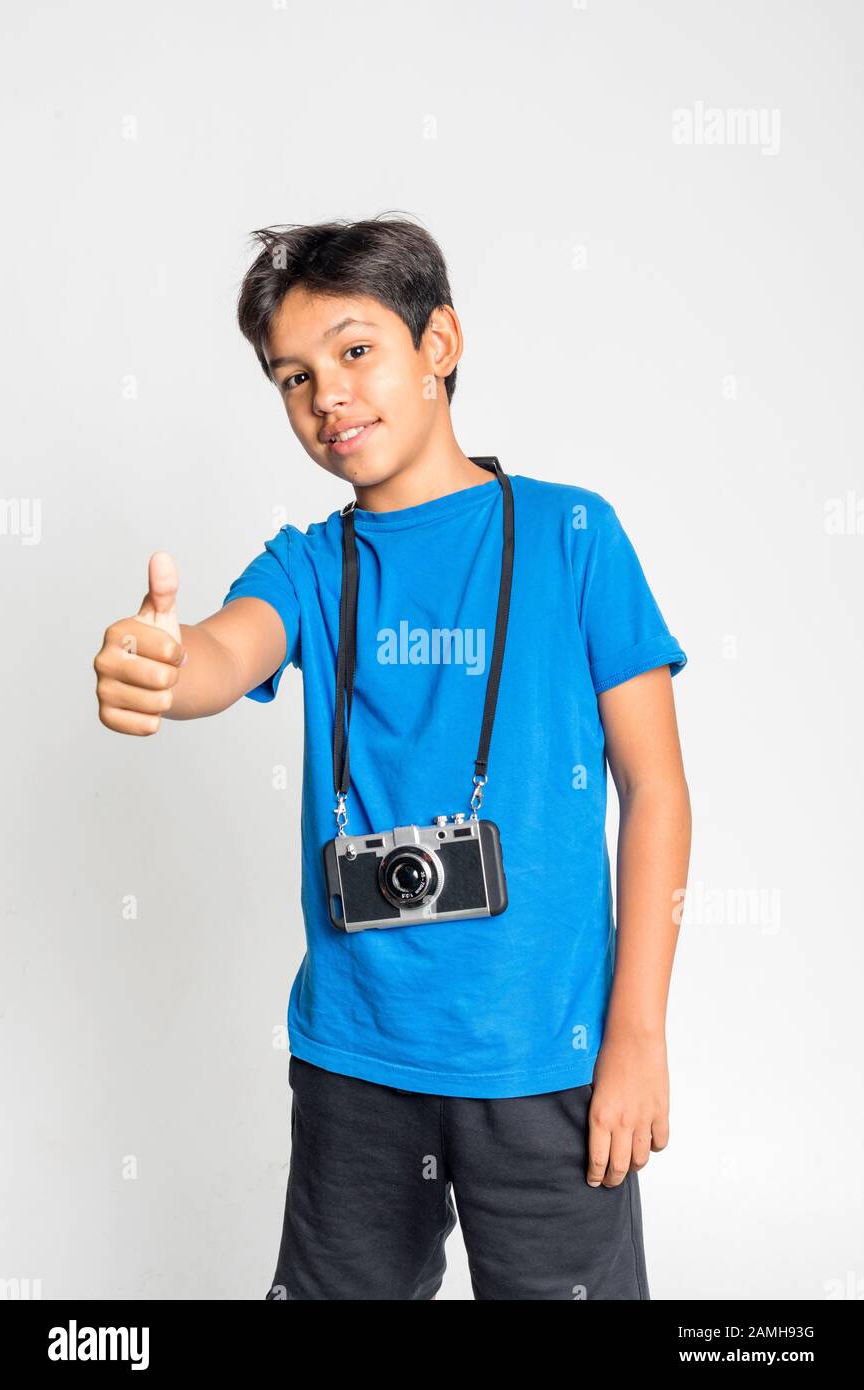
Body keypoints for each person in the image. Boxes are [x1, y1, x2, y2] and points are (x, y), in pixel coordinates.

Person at [93, 214, 692, 1301]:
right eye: (292, 376)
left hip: (545, 1059)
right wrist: (162, 663)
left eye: (355, 349)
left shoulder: (572, 536)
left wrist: (636, 1034)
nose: (326, 395)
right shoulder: (313, 566)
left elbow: (654, 789)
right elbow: (227, 650)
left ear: (439, 345)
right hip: (354, 1060)